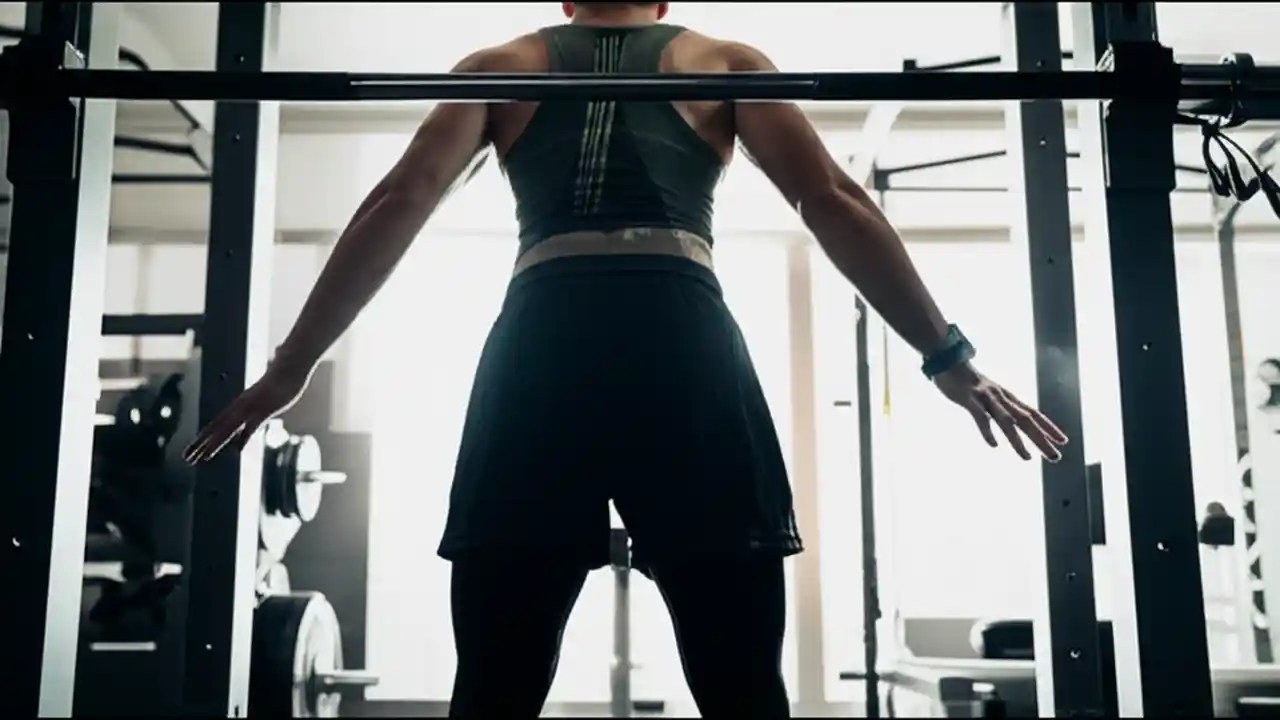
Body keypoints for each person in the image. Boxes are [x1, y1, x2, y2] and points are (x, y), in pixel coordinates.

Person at [184, 2, 1068, 717]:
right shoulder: (723, 61)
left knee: (503, 684)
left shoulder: (504, 66)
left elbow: (399, 202)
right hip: (673, 333)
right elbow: (829, 201)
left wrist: (292, 365)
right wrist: (948, 358)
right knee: (731, 688)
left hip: (547, 339)